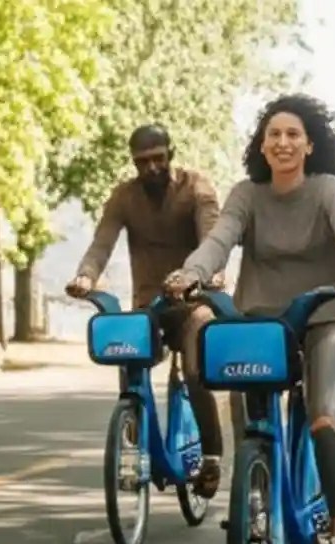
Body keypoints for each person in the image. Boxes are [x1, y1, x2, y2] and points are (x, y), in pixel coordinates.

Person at [163, 94, 335, 544]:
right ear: (261, 146)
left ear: (308, 145)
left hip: (328, 312)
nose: (283, 142)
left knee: (324, 416)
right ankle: (254, 493)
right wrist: (191, 272)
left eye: (292, 134)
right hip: (264, 315)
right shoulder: (246, 195)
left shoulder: (328, 190)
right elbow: (219, 240)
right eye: (273, 135)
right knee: (250, 413)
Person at [67, 123, 225, 498]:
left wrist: (208, 270)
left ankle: (213, 458)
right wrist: (86, 276)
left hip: (193, 302)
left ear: (172, 151)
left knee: (194, 369)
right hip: (149, 305)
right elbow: (102, 243)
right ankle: (136, 444)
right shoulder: (124, 196)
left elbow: (212, 233)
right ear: (134, 163)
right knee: (129, 360)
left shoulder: (196, 187)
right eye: (142, 162)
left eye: (158, 158)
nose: (151, 168)